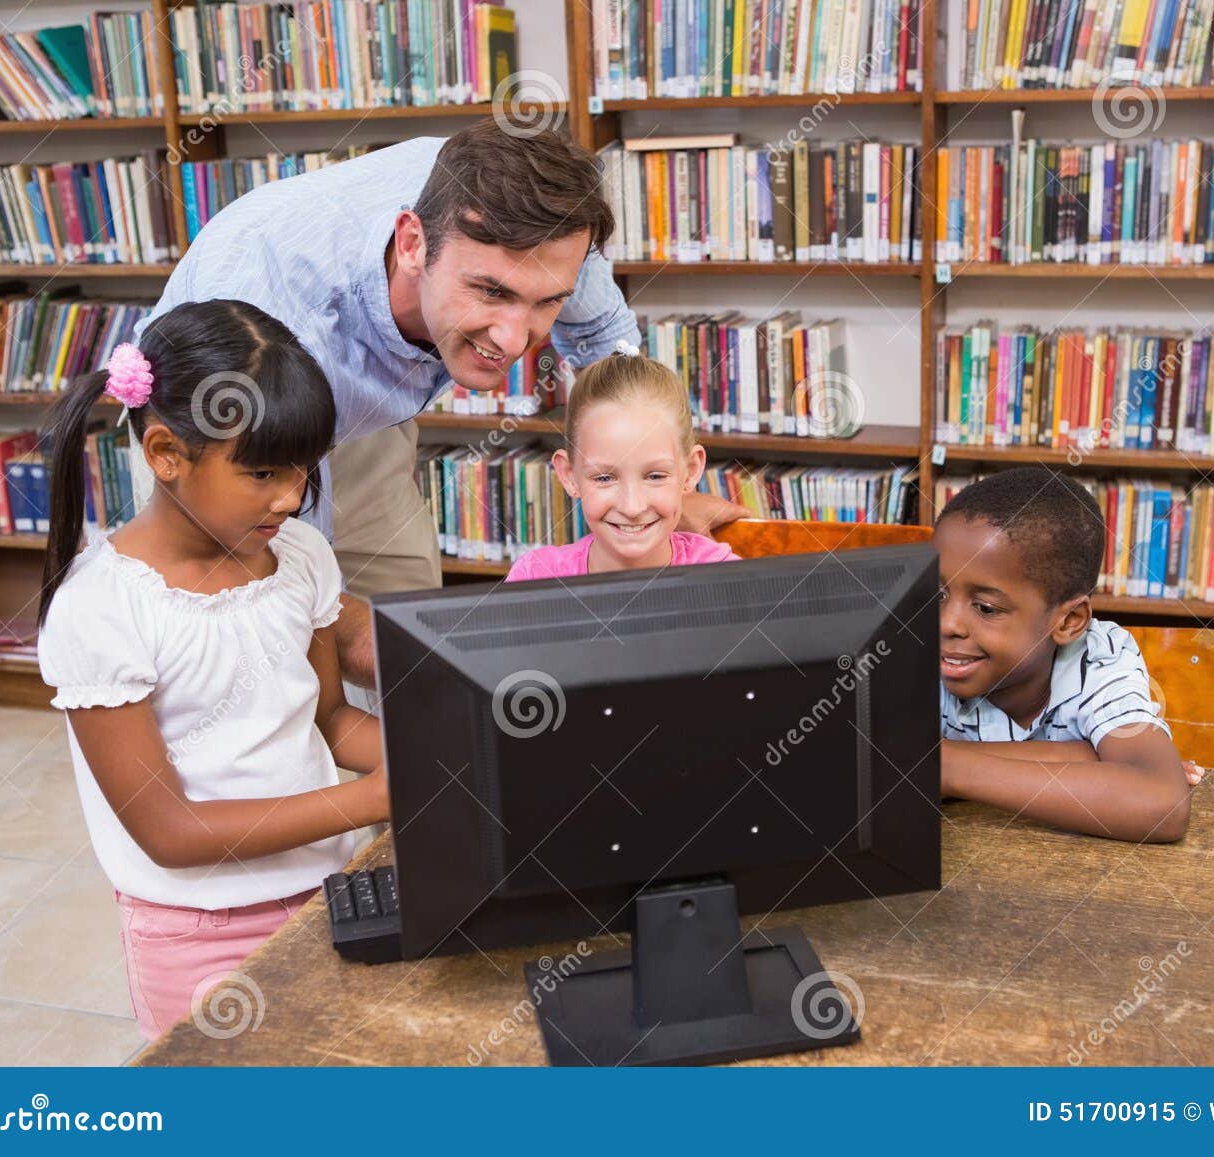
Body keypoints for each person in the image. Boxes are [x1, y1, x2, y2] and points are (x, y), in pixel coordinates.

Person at [141, 120, 746, 688]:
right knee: (295, 657)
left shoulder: (546, 223)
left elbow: (600, 342)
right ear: (412, 243)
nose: (514, 342)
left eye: (544, 302)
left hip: (369, 407)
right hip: (245, 433)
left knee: (411, 631)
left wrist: (656, 488)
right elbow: (266, 560)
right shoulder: (270, 302)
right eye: (491, 291)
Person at [37, 300, 388, 1039]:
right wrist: (376, 799)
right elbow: (170, 830)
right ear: (166, 453)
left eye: (303, 469)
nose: (293, 496)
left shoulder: (298, 558)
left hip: (327, 896)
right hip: (197, 934)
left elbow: (327, 720)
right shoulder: (100, 607)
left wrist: (437, 758)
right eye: (262, 471)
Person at [933, 467, 1196, 842]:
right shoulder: (914, 649)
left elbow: (1159, 803)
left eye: (986, 608)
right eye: (936, 594)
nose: (946, 623)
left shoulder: (1100, 660)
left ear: (1070, 621)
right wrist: (1084, 759)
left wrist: (942, 765)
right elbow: (860, 766)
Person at [506, 348, 739, 580]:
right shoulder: (533, 576)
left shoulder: (727, 579)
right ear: (569, 475)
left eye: (655, 476)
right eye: (604, 478)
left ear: (690, 471)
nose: (632, 508)